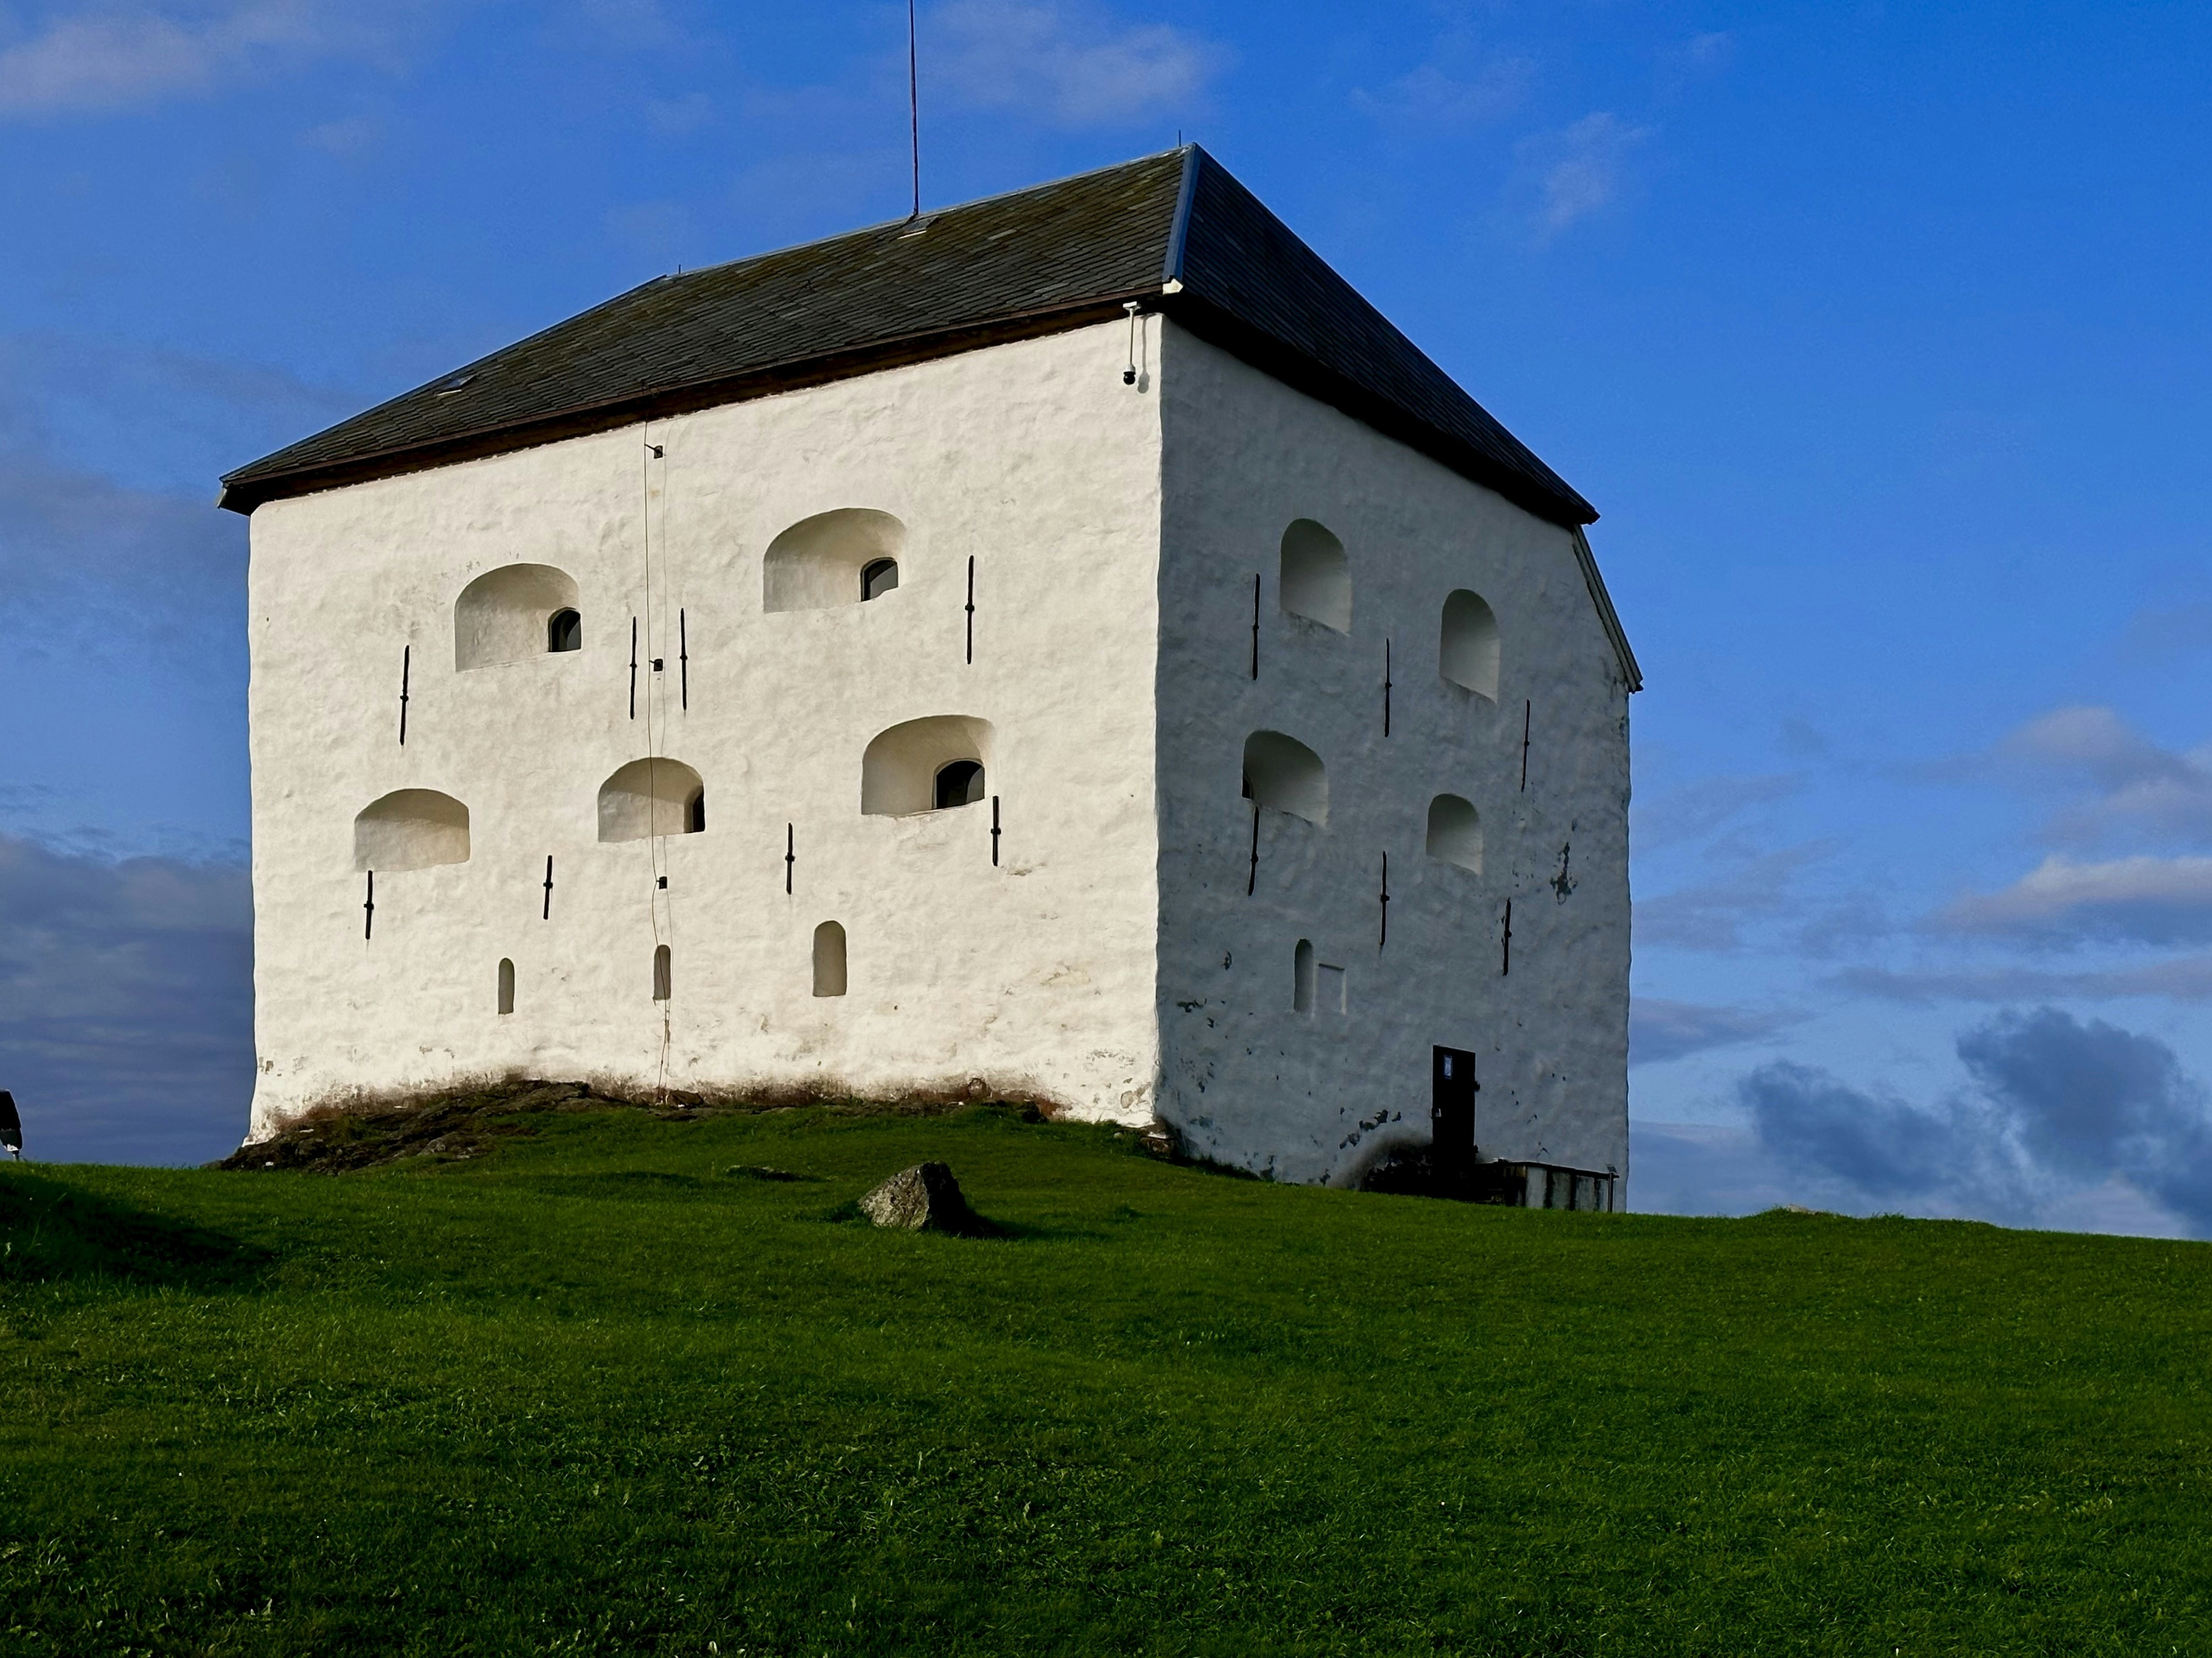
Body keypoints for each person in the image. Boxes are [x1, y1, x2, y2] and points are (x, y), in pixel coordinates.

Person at [0, 1089, 20, 1159]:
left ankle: (16, 1157)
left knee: (12, 1143)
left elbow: (13, 1116)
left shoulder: (4, 1095)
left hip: (9, 1124)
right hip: (9, 1123)